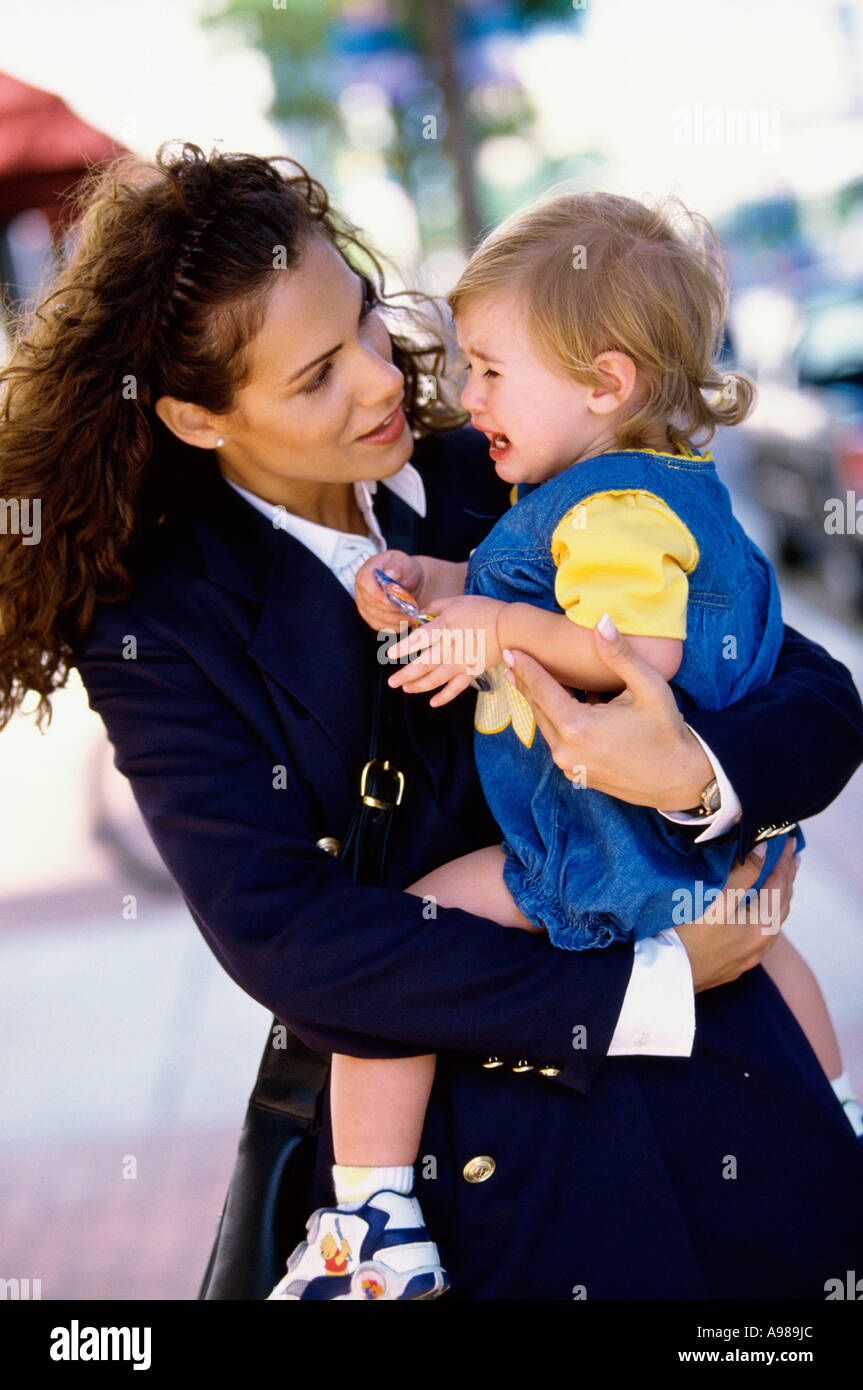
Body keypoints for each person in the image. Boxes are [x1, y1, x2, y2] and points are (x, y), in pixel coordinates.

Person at [0, 145, 861, 1302]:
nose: (379, 382)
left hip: (742, 1112)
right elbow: (287, 937)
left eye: (363, 323)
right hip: (489, 1191)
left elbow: (802, 684)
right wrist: (642, 986)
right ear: (199, 420)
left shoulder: (514, 456)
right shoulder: (162, 622)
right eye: (314, 377)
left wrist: (696, 772)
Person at [277, 191, 863, 1300]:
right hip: (655, 848)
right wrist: (439, 591)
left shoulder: (613, 514)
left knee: (412, 927)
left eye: (492, 370)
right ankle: (831, 1107)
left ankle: (371, 1212)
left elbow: (626, 648)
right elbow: (520, 584)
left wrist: (490, 630)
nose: (462, 394)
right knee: (767, 952)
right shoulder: (590, 499)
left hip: (594, 841)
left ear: (604, 383)